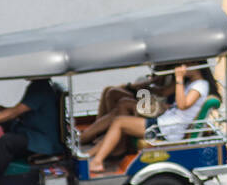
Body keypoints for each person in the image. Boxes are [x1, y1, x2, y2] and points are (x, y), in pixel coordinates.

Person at [86, 65, 216, 174]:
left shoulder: (200, 85)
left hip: (168, 130)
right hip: (166, 121)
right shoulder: (192, 83)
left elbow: (183, 105)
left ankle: (97, 161)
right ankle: (91, 154)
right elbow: (172, 99)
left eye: (185, 64)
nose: (181, 67)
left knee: (119, 122)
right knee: (122, 112)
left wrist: (179, 78)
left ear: (196, 65)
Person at [0, 79, 65, 185]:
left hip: (42, 141)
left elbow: (15, 112)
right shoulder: (37, 85)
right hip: (30, 130)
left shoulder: (40, 88)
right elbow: (19, 110)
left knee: (6, 141)